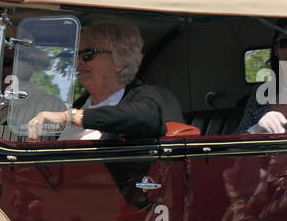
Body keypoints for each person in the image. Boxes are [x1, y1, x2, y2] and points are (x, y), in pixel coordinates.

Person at [24, 19, 183, 141]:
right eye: (77, 56)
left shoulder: (142, 95)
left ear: (119, 61)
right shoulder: (81, 103)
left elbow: (146, 118)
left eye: (87, 55)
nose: (79, 62)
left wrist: (70, 117)